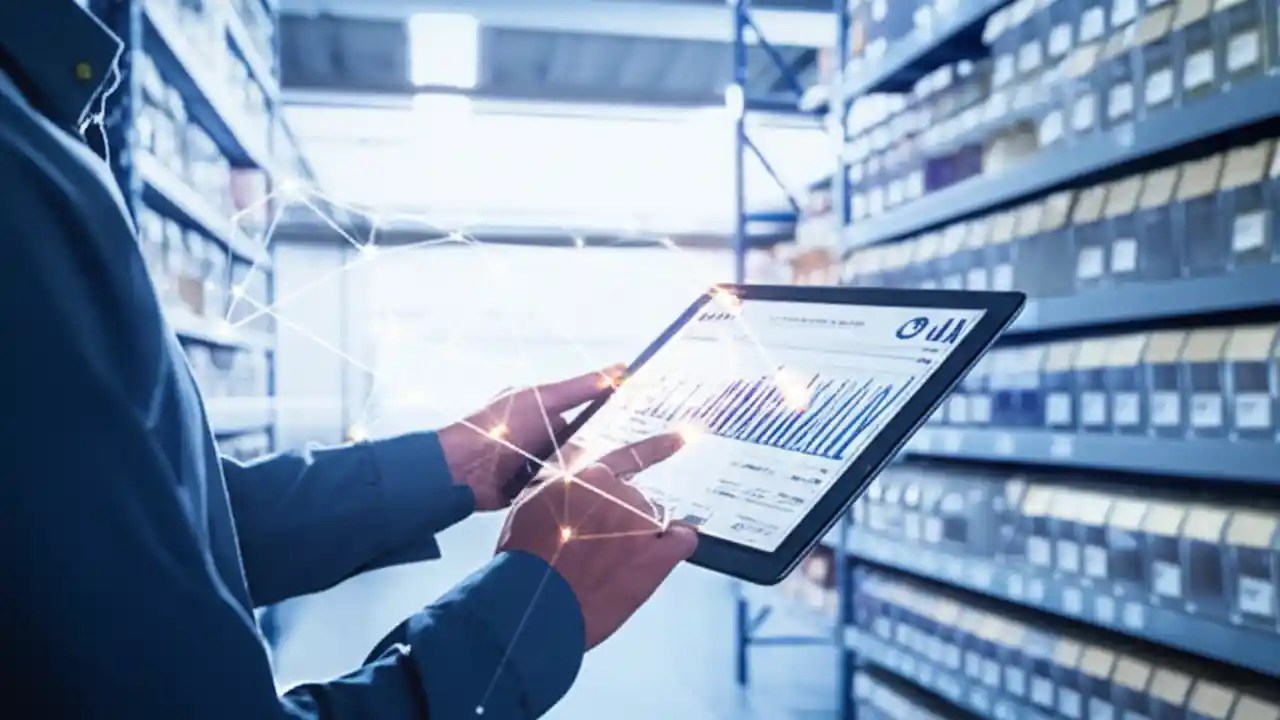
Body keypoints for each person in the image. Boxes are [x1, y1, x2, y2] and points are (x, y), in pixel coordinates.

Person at [0, 2, 697, 718]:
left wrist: (459, 464)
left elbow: (136, 522)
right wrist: (527, 612)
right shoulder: (18, 170)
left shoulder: (35, 126)